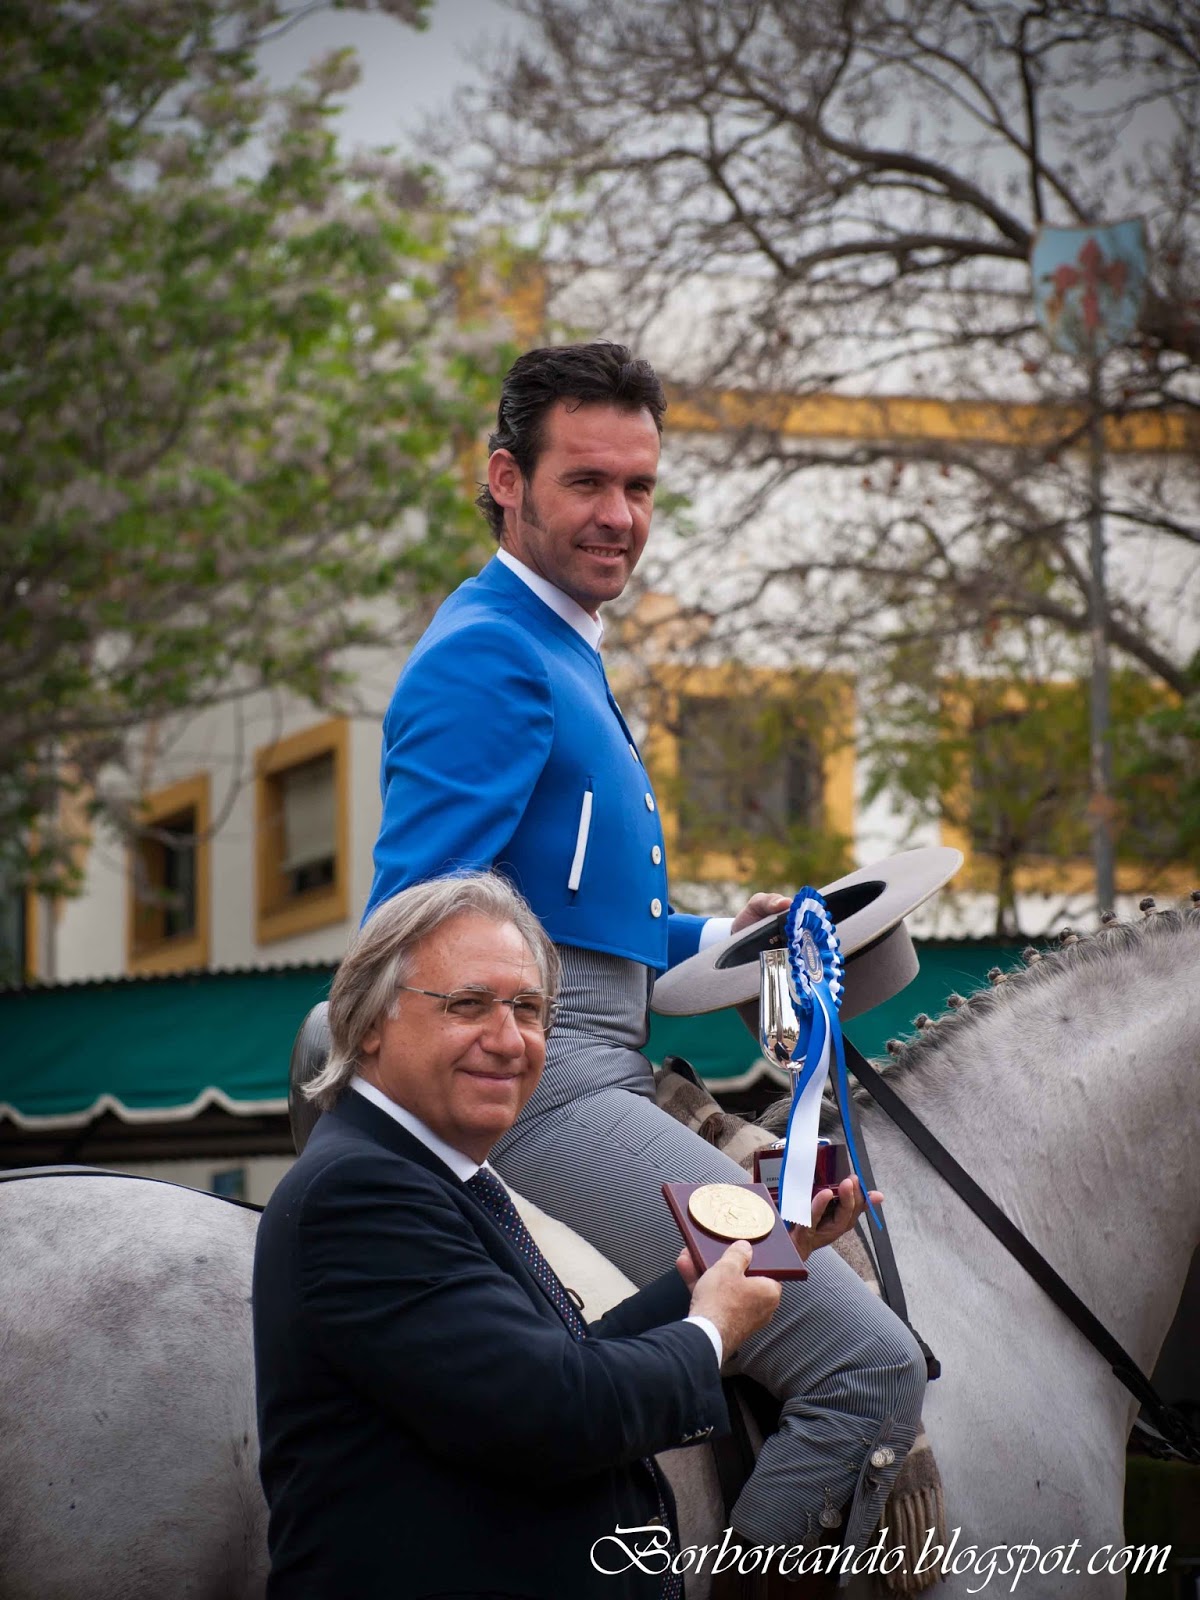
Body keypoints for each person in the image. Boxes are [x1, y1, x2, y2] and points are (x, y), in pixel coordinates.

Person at [363, 343, 926, 1570]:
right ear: (506, 480)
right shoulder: (491, 652)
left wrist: (735, 937)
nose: (620, 515)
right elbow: (412, 918)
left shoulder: (564, 646)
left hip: (606, 1068)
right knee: (868, 1363)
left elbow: (592, 929)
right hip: (545, 1095)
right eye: (586, 482)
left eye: (640, 487)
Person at [254, 871, 811, 1598]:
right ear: (366, 1025)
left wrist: (723, 1268)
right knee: (869, 1366)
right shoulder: (359, 1189)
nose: (509, 1040)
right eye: (467, 1005)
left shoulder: (431, 1170)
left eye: (528, 1008)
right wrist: (712, 1331)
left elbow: (555, 1363)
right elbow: (556, 1412)